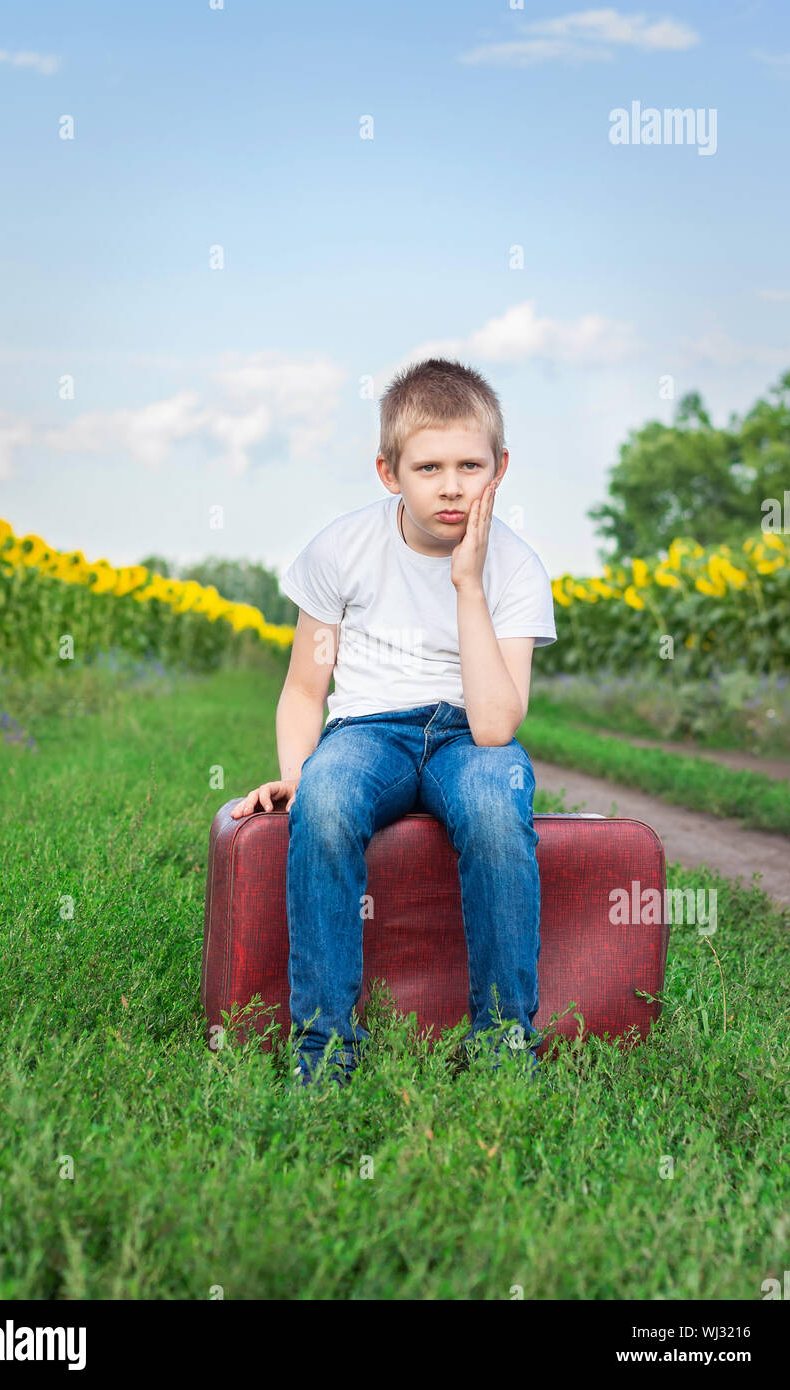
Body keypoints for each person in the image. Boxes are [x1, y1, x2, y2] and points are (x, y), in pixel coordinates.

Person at [230, 357, 557, 1088]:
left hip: (467, 737)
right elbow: (303, 686)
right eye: (428, 467)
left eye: (470, 465)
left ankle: (504, 1047)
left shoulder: (517, 568)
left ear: (500, 469)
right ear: (389, 473)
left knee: (496, 805)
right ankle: (323, 1051)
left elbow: (499, 726)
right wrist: (296, 773)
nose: (450, 486)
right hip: (367, 732)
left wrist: (467, 584)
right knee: (329, 799)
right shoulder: (340, 550)